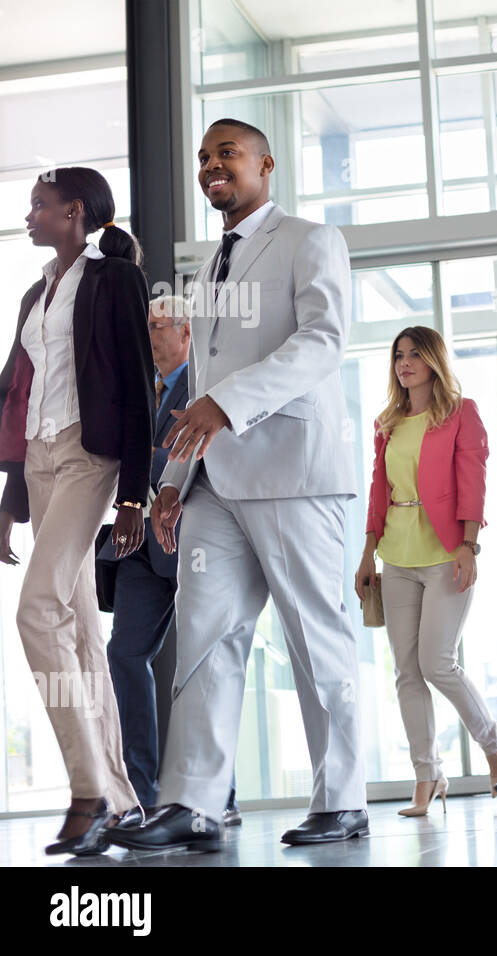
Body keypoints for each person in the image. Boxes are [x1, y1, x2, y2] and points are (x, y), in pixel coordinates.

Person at [108, 118, 367, 852]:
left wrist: (229, 404)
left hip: (293, 473)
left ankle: (341, 798)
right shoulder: (207, 267)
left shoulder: (312, 240)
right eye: (202, 157)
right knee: (204, 637)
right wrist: (173, 478)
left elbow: (322, 341)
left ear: (265, 163)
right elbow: (204, 381)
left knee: (317, 639)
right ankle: (193, 801)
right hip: (214, 483)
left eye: (226, 153)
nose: (211, 165)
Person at [0, 166, 152, 854]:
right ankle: (121, 802)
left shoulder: (113, 279)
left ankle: (86, 789)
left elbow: (137, 389)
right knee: (84, 639)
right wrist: (11, 499)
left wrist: (133, 495)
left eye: (40, 205)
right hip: (39, 459)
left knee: (36, 609)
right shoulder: (38, 291)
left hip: (91, 456)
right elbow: (17, 394)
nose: (29, 215)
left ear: (75, 212)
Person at [93, 295, 242, 826]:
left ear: (186, 334)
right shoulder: (136, 385)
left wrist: (133, 457)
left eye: (161, 325)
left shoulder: (202, 386)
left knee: (201, 660)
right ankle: (144, 792)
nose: (151, 333)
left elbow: (198, 452)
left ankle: (217, 795)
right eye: (147, 325)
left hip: (194, 536)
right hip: (135, 546)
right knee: (125, 654)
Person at [355, 326, 497, 814]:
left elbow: (473, 482)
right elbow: (378, 491)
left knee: (435, 663)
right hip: (396, 556)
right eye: (398, 355)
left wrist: (470, 544)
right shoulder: (387, 422)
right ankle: (427, 776)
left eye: (414, 354)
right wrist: (367, 552)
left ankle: (495, 744)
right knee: (405, 671)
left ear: (433, 360)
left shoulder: (461, 413)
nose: (404, 363)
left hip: (447, 551)